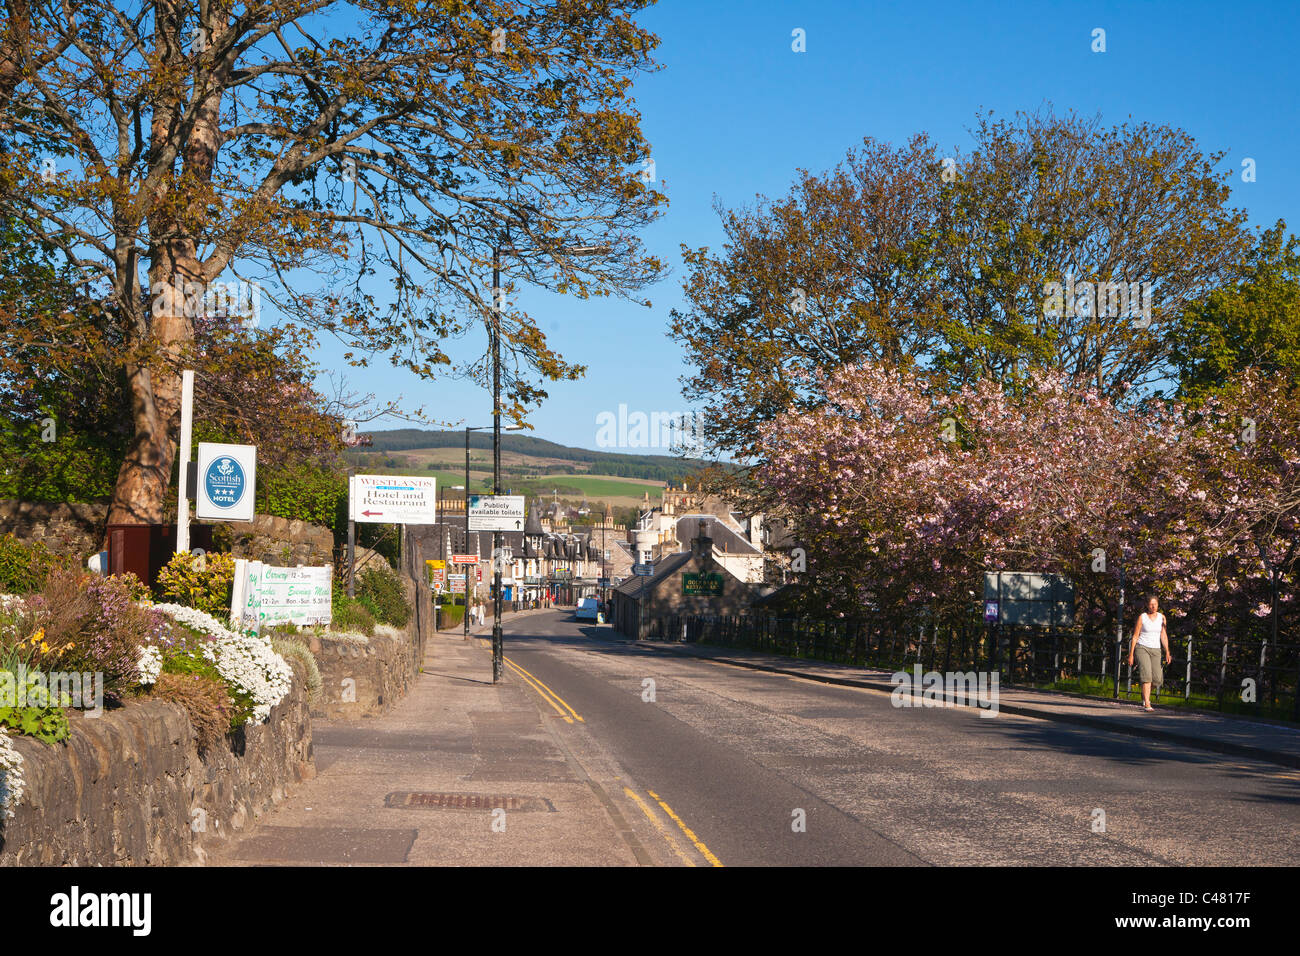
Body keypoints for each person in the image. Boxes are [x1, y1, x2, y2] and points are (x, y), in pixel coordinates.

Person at [1128, 595, 1173, 712]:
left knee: (1158, 679)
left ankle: (1145, 693)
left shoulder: (1162, 618)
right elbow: (1135, 636)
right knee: (1146, 675)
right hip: (1142, 648)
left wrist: (1167, 652)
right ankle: (1147, 703)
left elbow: (1163, 635)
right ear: (1147, 605)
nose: (1153, 606)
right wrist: (1131, 654)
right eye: (1151, 604)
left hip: (1156, 649)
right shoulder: (1142, 617)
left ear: (1158, 605)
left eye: (1155, 604)